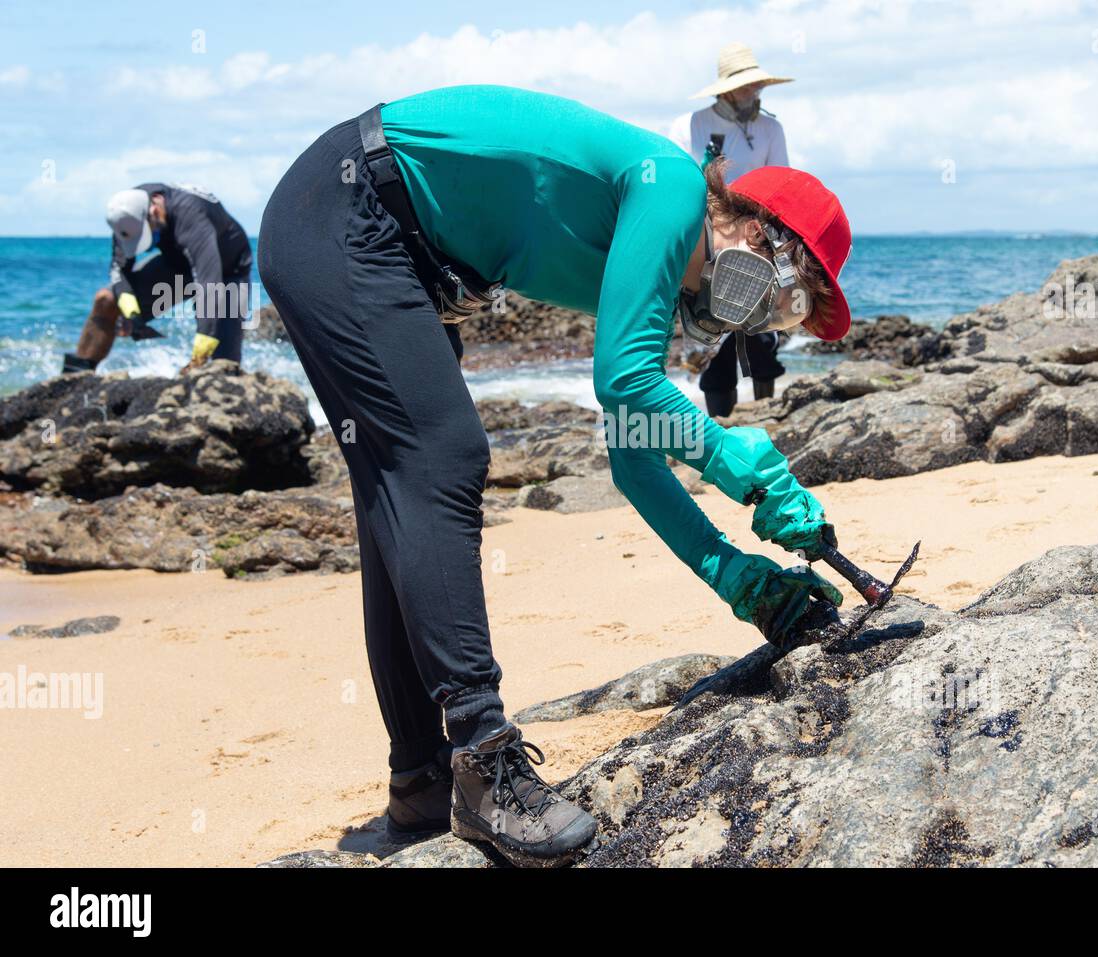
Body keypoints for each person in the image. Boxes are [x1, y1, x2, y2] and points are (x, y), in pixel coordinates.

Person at [257, 85, 855, 867]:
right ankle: (484, 758)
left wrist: (741, 579)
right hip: (347, 209)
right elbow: (626, 386)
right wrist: (747, 463)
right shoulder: (671, 188)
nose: (762, 314)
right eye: (781, 289)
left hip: (384, 245)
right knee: (444, 456)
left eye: (783, 314)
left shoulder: (666, 258)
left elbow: (631, 454)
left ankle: (421, 775)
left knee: (398, 492)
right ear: (751, 225)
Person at [673, 42, 794, 417]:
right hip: (707, 241)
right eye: (744, 85)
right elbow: (682, 183)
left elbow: (781, 185)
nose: (752, 91)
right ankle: (719, 431)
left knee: (762, 331)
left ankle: (768, 422)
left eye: (756, 85)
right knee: (709, 332)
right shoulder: (694, 124)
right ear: (725, 87)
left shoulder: (771, 128)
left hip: (759, 239)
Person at [63, 184, 252, 374]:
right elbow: (119, 271)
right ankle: (76, 374)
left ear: (155, 211)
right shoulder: (125, 213)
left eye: (149, 235)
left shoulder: (190, 216)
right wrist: (132, 314)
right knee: (107, 300)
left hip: (228, 270)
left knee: (223, 364)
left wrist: (202, 347)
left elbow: (209, 284)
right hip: (176, 265)